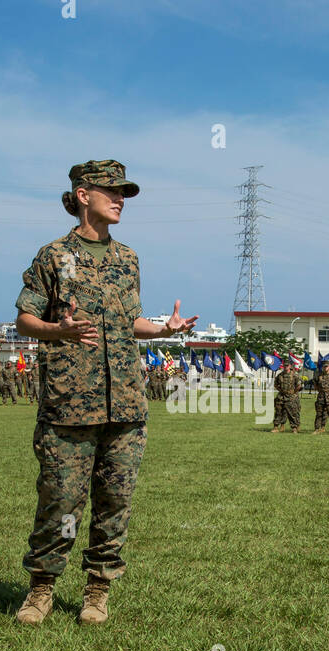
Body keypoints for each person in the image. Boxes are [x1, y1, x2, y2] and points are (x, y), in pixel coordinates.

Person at [13, 159, 197, 627]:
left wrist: (160, 330)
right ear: (82, 195)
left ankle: (97, 590)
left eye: (124, 194)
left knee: (116, 500)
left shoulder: (128, 258)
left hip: (126, 405)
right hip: (70, 403)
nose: (120, 200)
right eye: (111, 191)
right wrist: (60, 330)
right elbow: (25, 319)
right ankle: (41, 590)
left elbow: (129, 321)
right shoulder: (53, 256)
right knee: (61, 498)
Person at [271, 360, 302, 433]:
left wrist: (293, 392)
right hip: (281, 396)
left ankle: (294, 427)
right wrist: (280, 390)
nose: (285, 367)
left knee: (292, 413)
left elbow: (299, 385)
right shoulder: (280, 375)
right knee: (278, 412)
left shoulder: (295, 375)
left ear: (290, 366)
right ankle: (276, 427)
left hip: (291, 396)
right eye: (284, 365)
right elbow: (276, 384)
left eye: (287, 366)